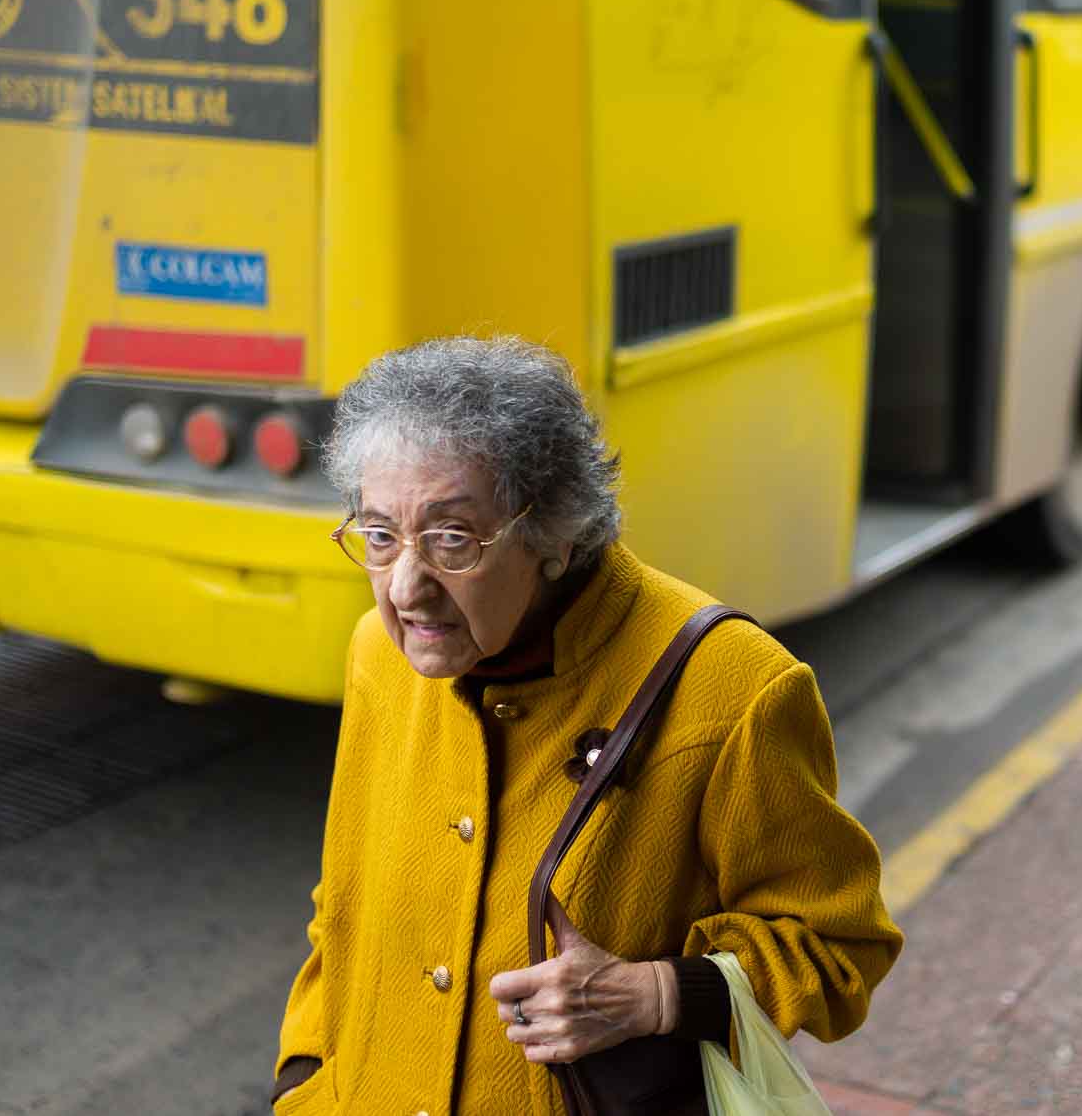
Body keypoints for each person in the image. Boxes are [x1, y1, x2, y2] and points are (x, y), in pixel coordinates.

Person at [273, 335, 902, 1115]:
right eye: (378, 536)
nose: (407, 587)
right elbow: (343, 902)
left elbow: (841, 947)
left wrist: (655, 994)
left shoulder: (735, 686)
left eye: (452, 541)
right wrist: (302, 1080)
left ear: (555, 536)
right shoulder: (378, 654)